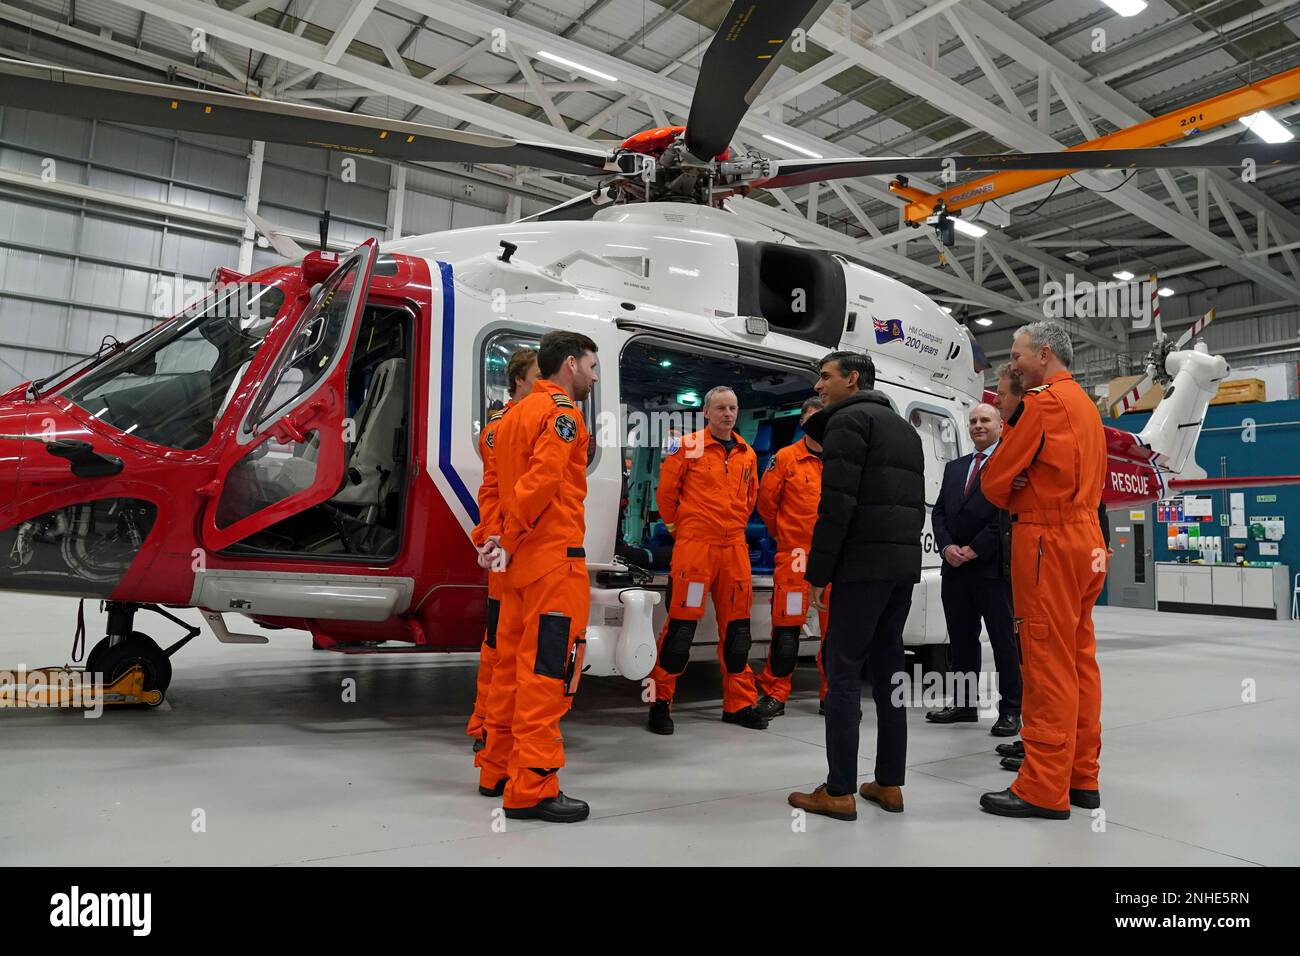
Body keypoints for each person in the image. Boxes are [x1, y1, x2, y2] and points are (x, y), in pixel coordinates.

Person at [977, 321, 1107, 819]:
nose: (1013, 364)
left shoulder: (1044, 403)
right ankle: (1081, 776)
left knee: (1046, 659)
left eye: (1017, 355)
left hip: (1046, 541)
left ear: (1044, 354)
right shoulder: (1086, 407)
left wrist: (1017, 479)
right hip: (1087, 540)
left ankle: (1042, 787)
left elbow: (994, 480)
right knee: (1079, 660)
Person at [788, 351, 924, 821]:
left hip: (860, 570)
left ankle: (840, 790)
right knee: (890, 675)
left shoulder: (847, 423)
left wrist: (818, 577)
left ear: (852, 379)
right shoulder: (905, 428)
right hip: (899, 572)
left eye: (825, 378)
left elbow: (836, 508)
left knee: (841, 672)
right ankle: (889, 784)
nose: (818, 387)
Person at [475, 330, 598, 823]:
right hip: (553, 562)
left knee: (507, 668)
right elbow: (542, 481)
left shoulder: (507, 421)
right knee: (549, 673)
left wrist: (497, 539)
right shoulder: (562, 414)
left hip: (517, 569)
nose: (593, 375)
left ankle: (495, 769)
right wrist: (511, 533)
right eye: (591, 365)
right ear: (569, 364)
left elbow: (494, 489)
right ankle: (534, 787)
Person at [645, 385, 767, 734]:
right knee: (680, 631)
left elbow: (751, 496)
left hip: (734, 550)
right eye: (721, 408)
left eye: (733, 408)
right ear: (706, 413)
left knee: (738, 632)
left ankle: (740, 703)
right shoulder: (687, 446)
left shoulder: (746, 453)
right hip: (695, 550)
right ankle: (659, 701)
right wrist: (680, 530)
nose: (728, 414)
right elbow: (666, 494)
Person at [926, 402, 1021, 736]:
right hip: (955, 570)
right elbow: (939, 512)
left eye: (985, 420)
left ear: (1000, 425)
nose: (978, 425)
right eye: (973, 421)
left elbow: (1007, 514)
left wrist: (975, 549)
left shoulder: (1010, 463)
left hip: (991, 570)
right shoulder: (955, 468)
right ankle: (964, 705)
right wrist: (947, 546)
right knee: (962, 641)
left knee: (1003, 643)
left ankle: (1010, 710)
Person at [466, 348, 539, 753]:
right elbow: (493, 492)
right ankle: (486, 727)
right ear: (518, 380)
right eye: (536, 376)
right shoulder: (502, 426)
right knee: (498, 645)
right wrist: (496, 540)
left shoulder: (535, 421)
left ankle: (498, 729)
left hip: (531, 552)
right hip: (507, 551)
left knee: (516, 645)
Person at [754, 396, 828, 720]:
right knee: (786, 632)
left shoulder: (844, 459)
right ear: (802, 421)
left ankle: (833, 695)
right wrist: (786, 536)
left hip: (831, 560)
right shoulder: (785, 459)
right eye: (812, 418)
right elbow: (767, 506)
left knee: (836, 633)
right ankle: (775, 693)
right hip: (795, 556)